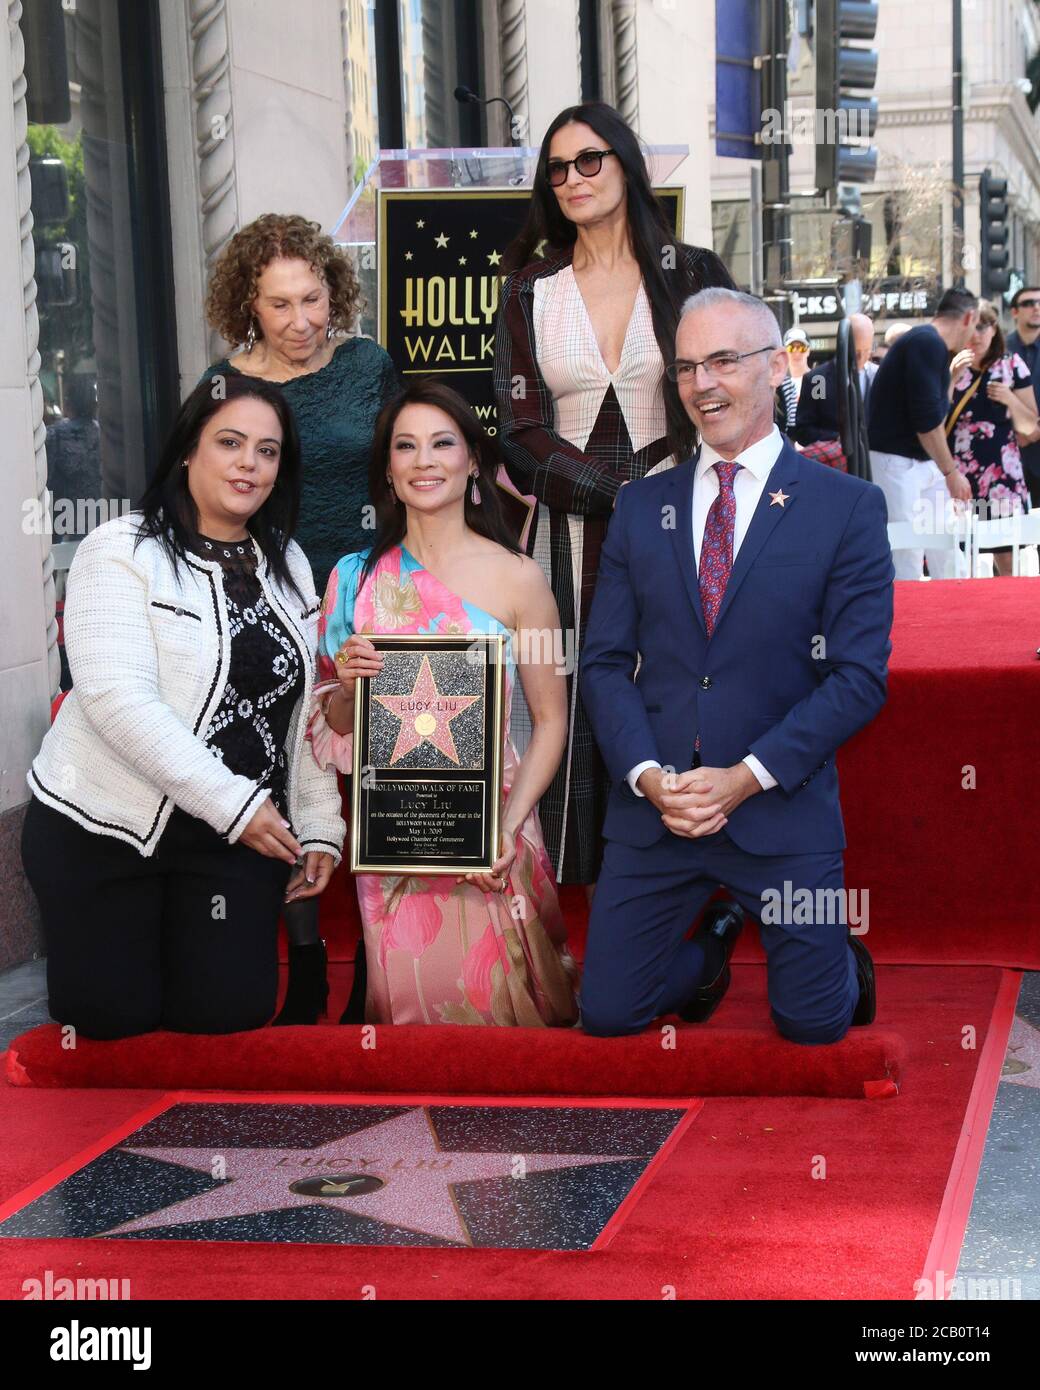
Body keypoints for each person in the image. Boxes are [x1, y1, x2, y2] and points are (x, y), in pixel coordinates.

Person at [578, 287, 893, 1043]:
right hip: (661, 810)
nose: (703, 384)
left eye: (723, 360)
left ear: (780, 365)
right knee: (609, 1014)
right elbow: (603, 664)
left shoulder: (846, 507)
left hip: (780, 810)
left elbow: (858, 679)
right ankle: (715, 950)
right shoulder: (637, 507)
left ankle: (841, 963)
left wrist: (747, 775)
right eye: (687, 367)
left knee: (815, 1026)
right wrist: (652, 780)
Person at [20, 376, 346, 1040]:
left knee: (228, 1014)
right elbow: (118, 701)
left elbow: (302, 706)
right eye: (229, 443)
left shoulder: (287, 560)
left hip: (229, 840)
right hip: (107, 829)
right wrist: (238, 804)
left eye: (267, 450)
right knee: (111, 1019)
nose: (249, 464)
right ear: (188, 451)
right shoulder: (120, 549)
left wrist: (317, 825)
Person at [494, 101, 735, 887]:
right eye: (558, 168)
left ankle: (683, 883)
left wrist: (667, 500)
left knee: (672, 689)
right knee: (562, 698)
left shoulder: (692, 272)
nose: (573, 179)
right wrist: (623, 495)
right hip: (563, 537)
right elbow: (521, 432)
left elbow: (730, 392)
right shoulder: (529, 288)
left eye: (590, 159)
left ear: (627, 165)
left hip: (688, 522)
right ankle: (570, 888)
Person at [309, 380, 578, 1027]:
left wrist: (507, 827)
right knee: (411, 1018)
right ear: (388, 469)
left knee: (502, 1020)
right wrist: (347, 686)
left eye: (441, 443)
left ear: (472, 461)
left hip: (495, 830)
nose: (424, 460)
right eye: (406, 447)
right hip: (396, 839)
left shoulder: (520, 577)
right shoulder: (351, 579)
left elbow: (551, 720)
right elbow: (336, 729)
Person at [202, 213, 398, 1022]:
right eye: (278, 305)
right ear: (248, 303)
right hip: (272, 594)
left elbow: (405, 464)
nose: (300, 321)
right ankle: (308, 956)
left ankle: (380, 966)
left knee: (385, 765)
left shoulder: (368, 364)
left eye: (312, 298)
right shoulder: (227, 385)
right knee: (289, 768)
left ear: (334, 290)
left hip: (368, 589)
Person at [868, 289, 976, 579]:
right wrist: (951, 472)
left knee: (945, 545)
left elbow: (933, 414)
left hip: (919, 461)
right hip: (899, 461)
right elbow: (927, 421)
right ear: (969, 317)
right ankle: (912, 617)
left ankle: (957, 606)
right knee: (908, 553)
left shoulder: (927, 344)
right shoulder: (926, 342)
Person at [946, 299, 1037, 575]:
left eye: (983, 327)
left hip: (1001, 471)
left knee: (1005, 549)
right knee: (957, 546)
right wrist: (951, 378)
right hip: (957, 468)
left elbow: (1030, 427)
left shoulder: (1012, 364)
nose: (977, 335)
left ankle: (1009, 607)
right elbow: (933, 418)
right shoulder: (948, 362)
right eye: (972, 327)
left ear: (995, 329)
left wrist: (1010, 399)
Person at [793, 313, 877, 458]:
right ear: (842, 344)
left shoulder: (877, 375)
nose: (861, 358)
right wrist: (837, 439)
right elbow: (804, 430)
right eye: (856, 352)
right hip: (834, 463)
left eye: (867, 351)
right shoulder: (819, 380)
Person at [1006, 284, 1040, 509]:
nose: (1036, 308)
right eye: (1028, 303)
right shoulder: (1000, 349)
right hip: (1009, 453)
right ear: (1015, 312)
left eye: (1039, 303)